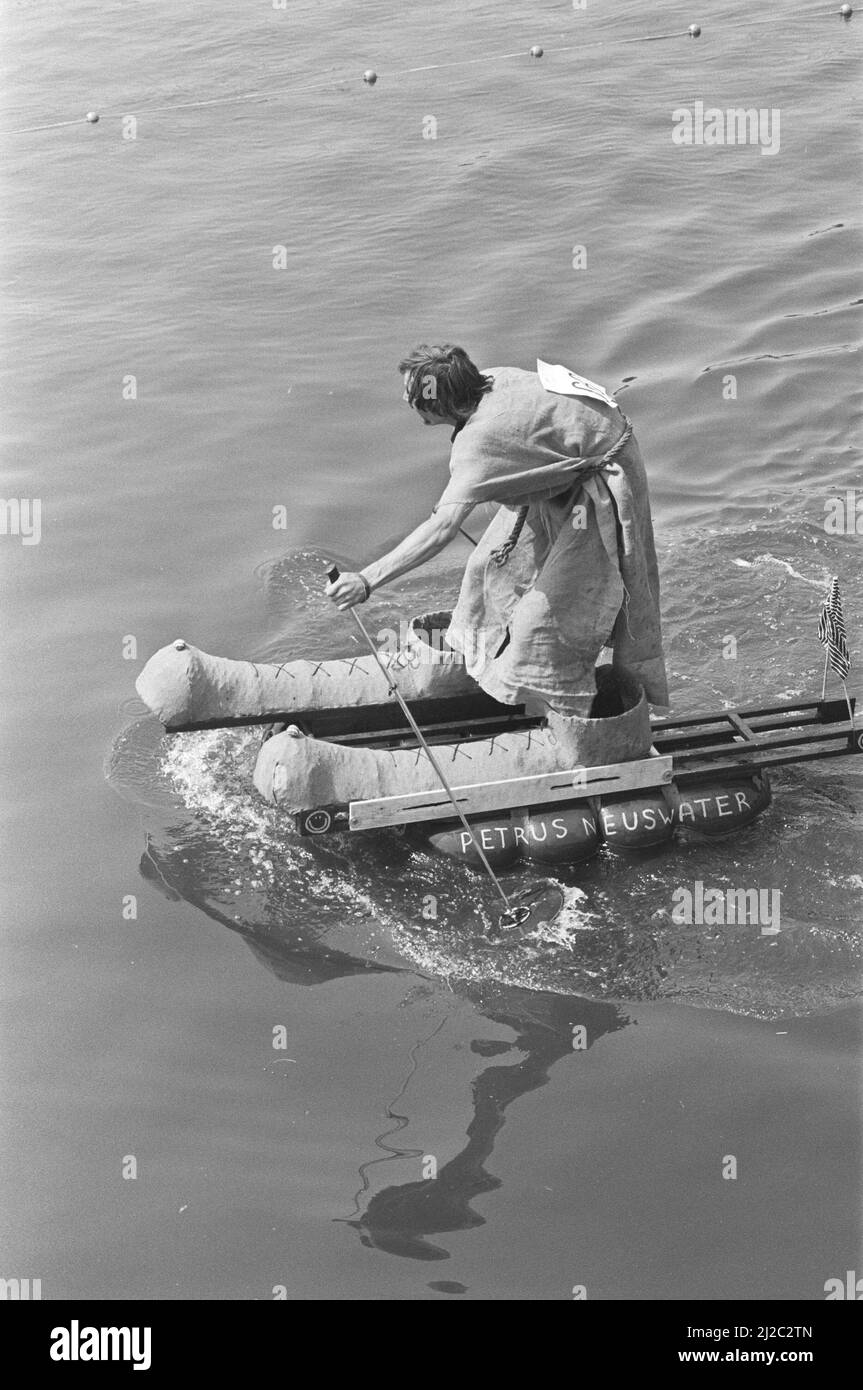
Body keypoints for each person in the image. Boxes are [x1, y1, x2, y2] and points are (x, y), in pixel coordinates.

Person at [326, 344, 668, 717]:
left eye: (412, 396)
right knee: (486, 570)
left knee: (549, 622)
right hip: (559, 475)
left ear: (438, 407)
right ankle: (484, 670)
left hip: (599, 484)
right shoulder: (487, 379)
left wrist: (365, 580)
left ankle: (563, 712)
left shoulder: (479, 445)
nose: (405, 400)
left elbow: (442, 530)